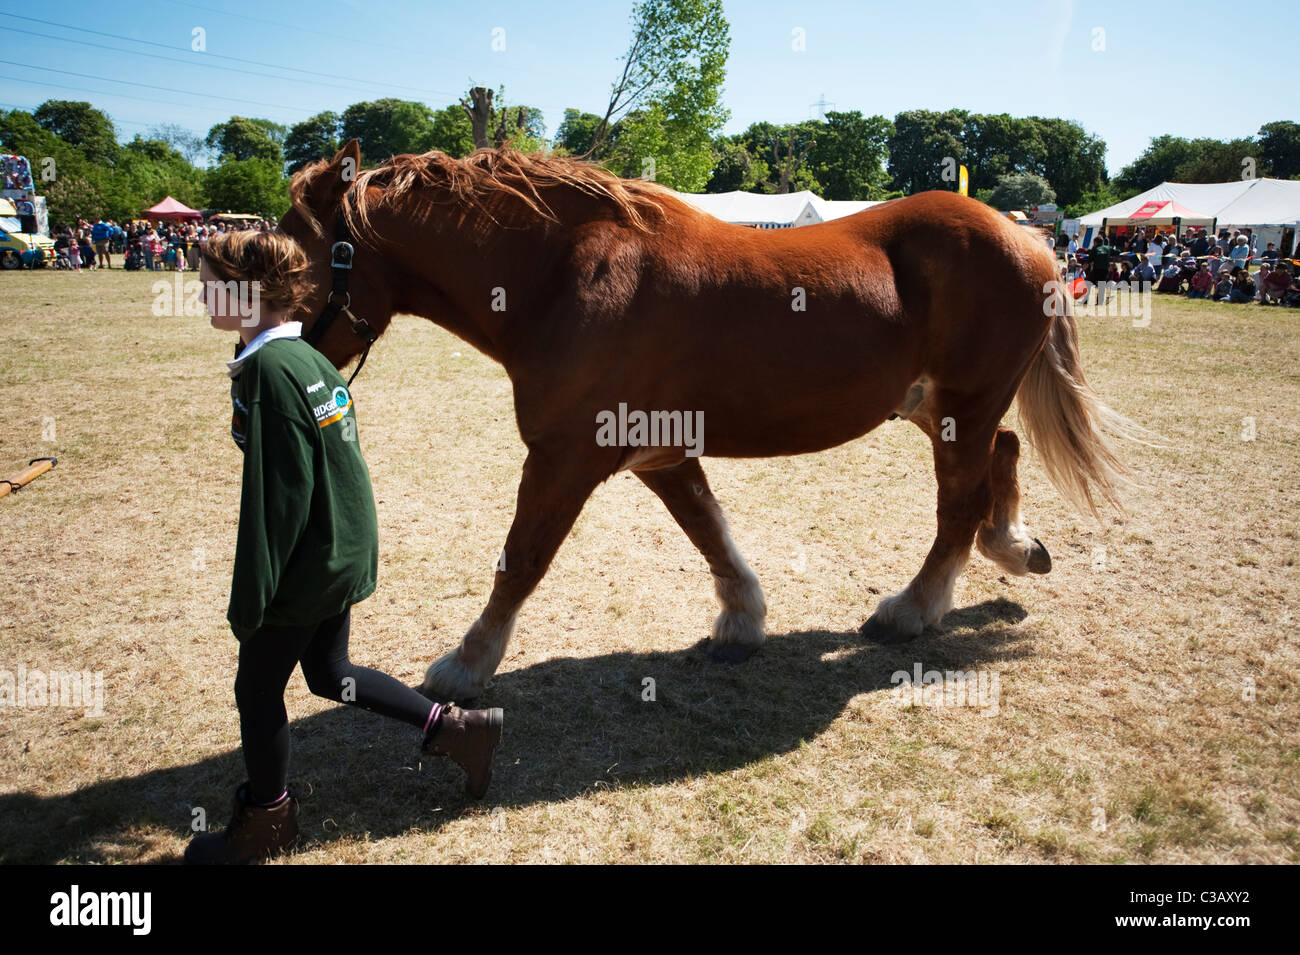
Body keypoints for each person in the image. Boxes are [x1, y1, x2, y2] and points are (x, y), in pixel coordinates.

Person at [186, 231, 504, 865]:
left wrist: (252, 599)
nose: (199, 296)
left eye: (209, 285)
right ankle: (459, 730)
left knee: (256, 690)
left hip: (307, 560)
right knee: (332, 675)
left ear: (247, 292)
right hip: (338, 546)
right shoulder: (305, 358)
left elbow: (279, 500)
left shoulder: (274, 372)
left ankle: (265, 826)